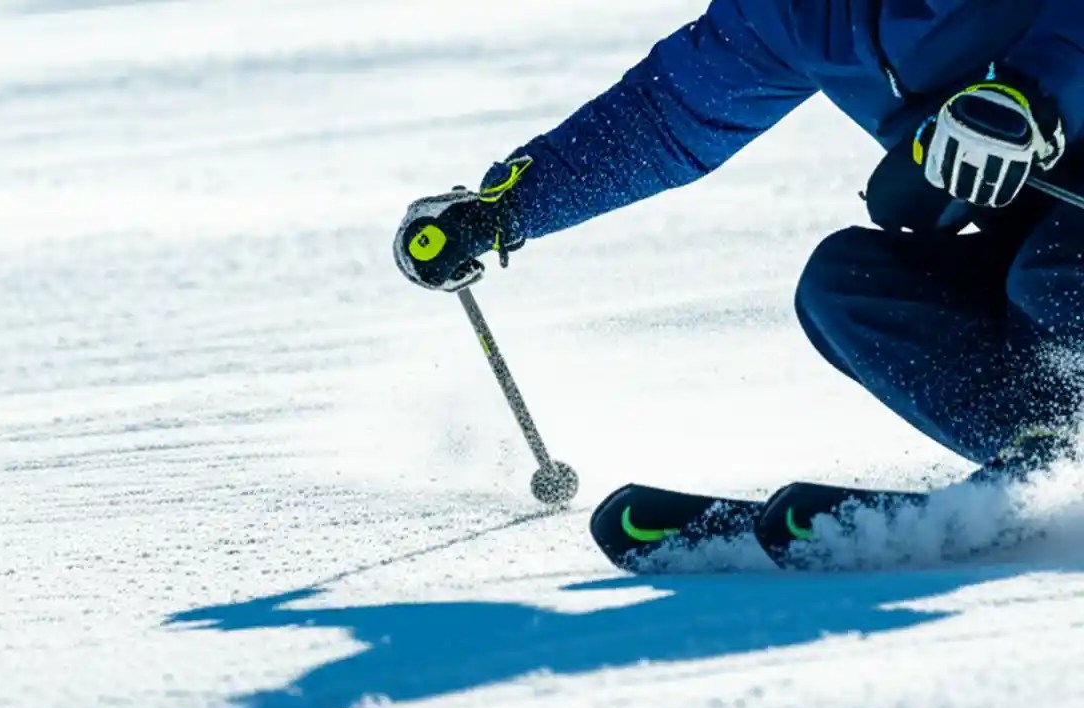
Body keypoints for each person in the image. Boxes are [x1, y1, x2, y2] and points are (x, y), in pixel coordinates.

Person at [393, 0, 1084, 482]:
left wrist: (1035, 90)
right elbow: (666, 117)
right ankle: (1044, 466)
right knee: (846, 290)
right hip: (1034, 232)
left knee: (1052, 274)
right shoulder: (792, 14)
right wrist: (505, 208)